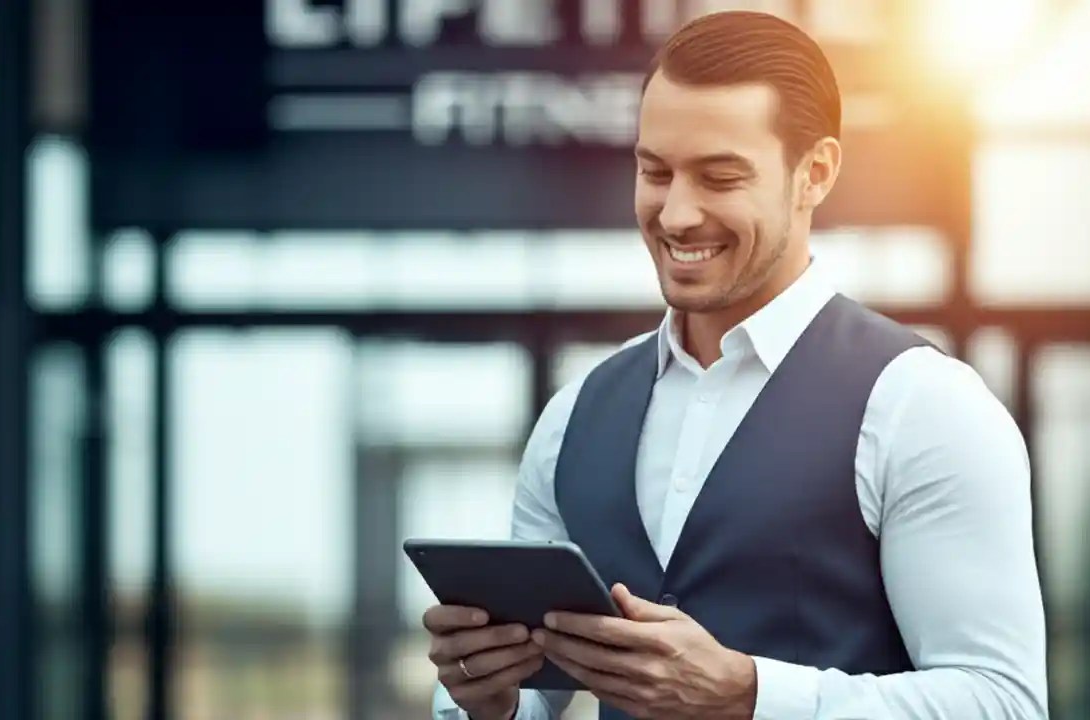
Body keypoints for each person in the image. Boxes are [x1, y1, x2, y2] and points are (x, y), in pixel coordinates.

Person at [422, 10, 1047, 720]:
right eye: (654, 171)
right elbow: (526, 707)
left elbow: (1004, 703)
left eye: (719, 177)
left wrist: (749, 695)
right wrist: (488, 700)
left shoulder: (922, 406)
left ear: (815, 173)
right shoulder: (575, 418)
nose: (677, 214)